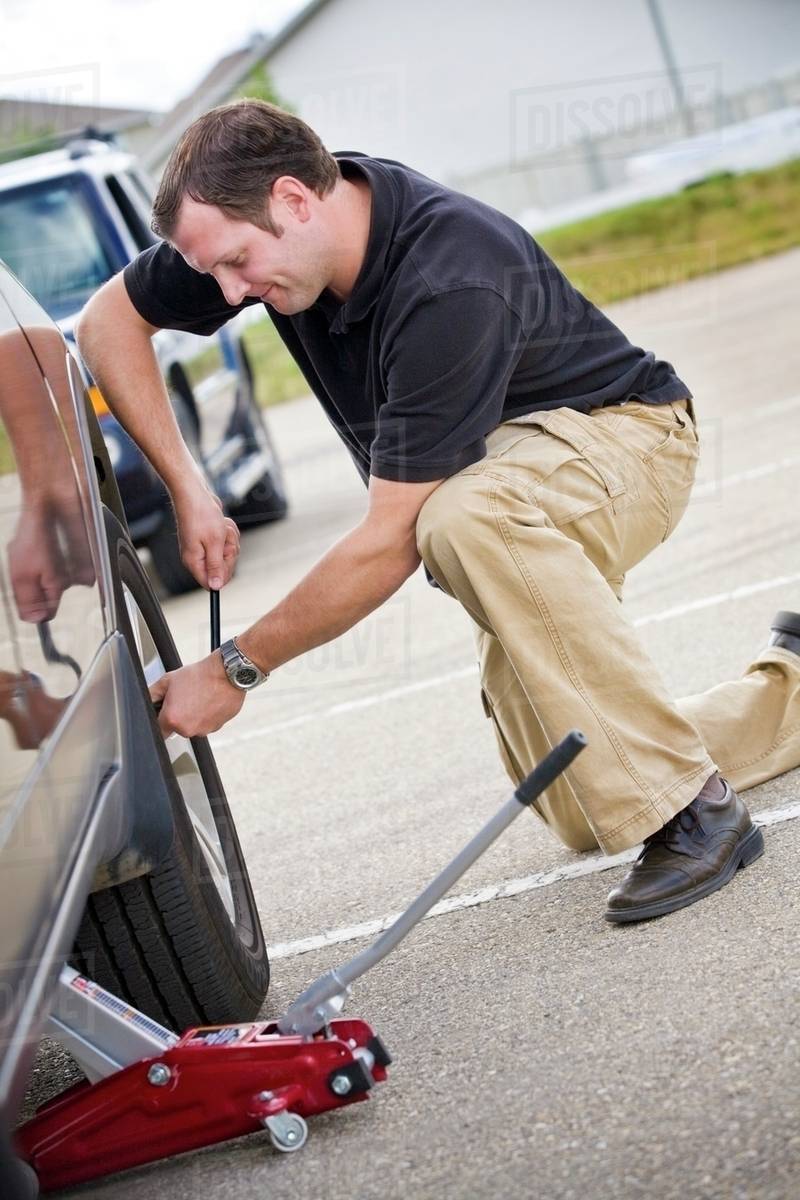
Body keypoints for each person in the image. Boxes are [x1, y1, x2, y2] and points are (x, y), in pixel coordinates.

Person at [76, 99, 800, 924]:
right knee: (585, 795)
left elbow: (391, 541)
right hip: (505, 478)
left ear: (294, 200)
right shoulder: (259, 231)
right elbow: (107, 323)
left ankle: (698, 815)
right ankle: (784, 700)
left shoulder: (446, 280)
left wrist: (234, 667)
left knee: (458, 517)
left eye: (238, 263)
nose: (230, 294)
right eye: (214, 274)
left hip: (629, 444)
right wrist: (190, 487)